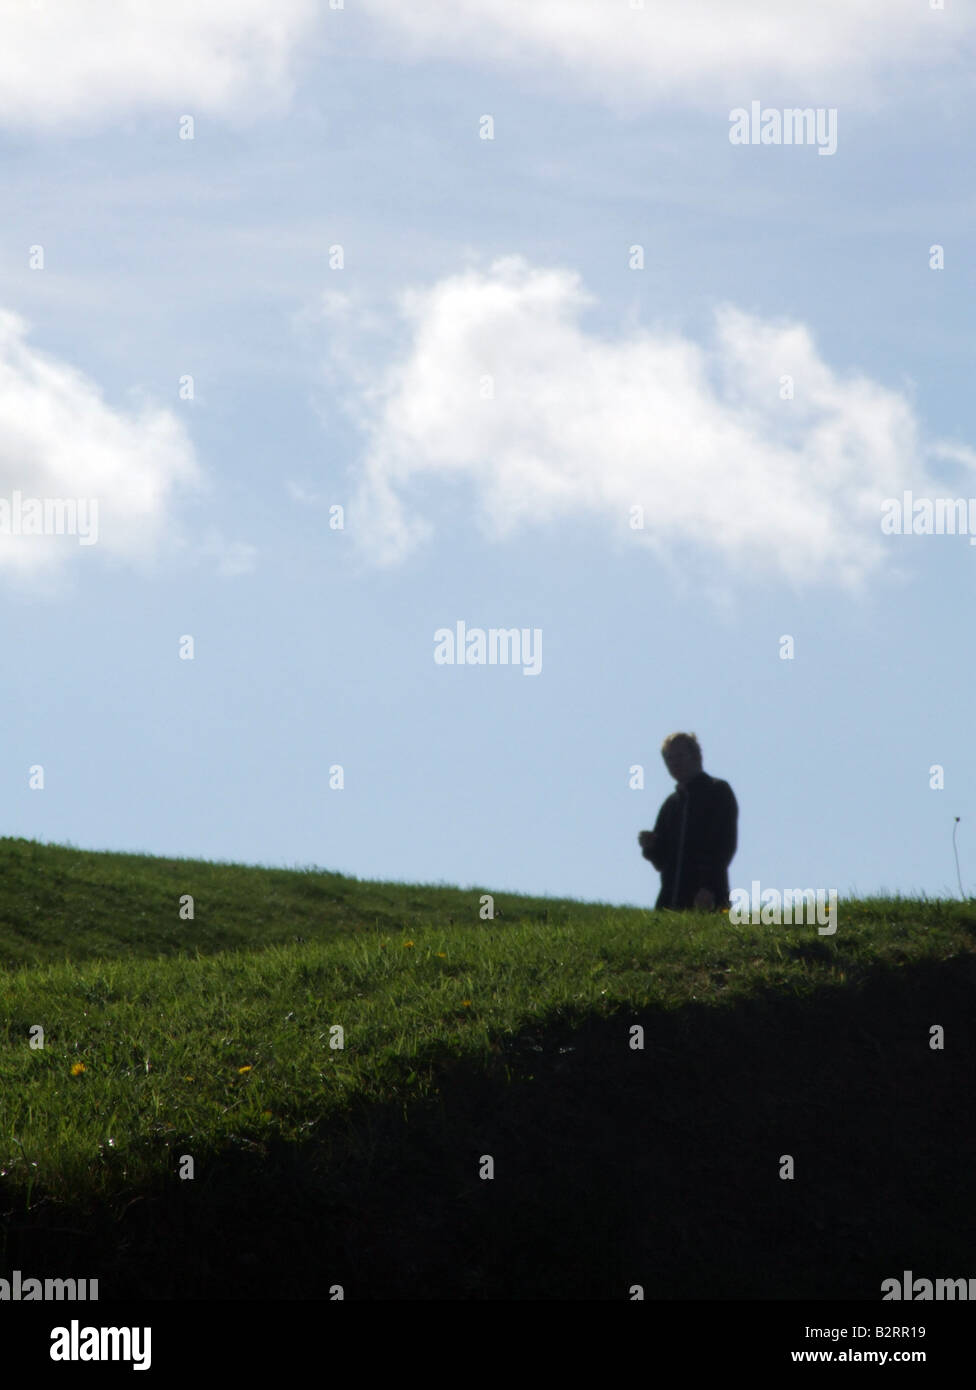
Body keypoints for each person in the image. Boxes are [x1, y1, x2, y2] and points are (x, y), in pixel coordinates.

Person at [638, 732, 737, 910]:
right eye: (668, 758)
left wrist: (708, 887)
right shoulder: (671, 804)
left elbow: (723, 844)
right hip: (670, 899)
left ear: (697, 756)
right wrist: (651, 845)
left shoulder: (717, 791)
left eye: (680, 756)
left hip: (709, 895)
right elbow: (661, 861)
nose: (674, 763)